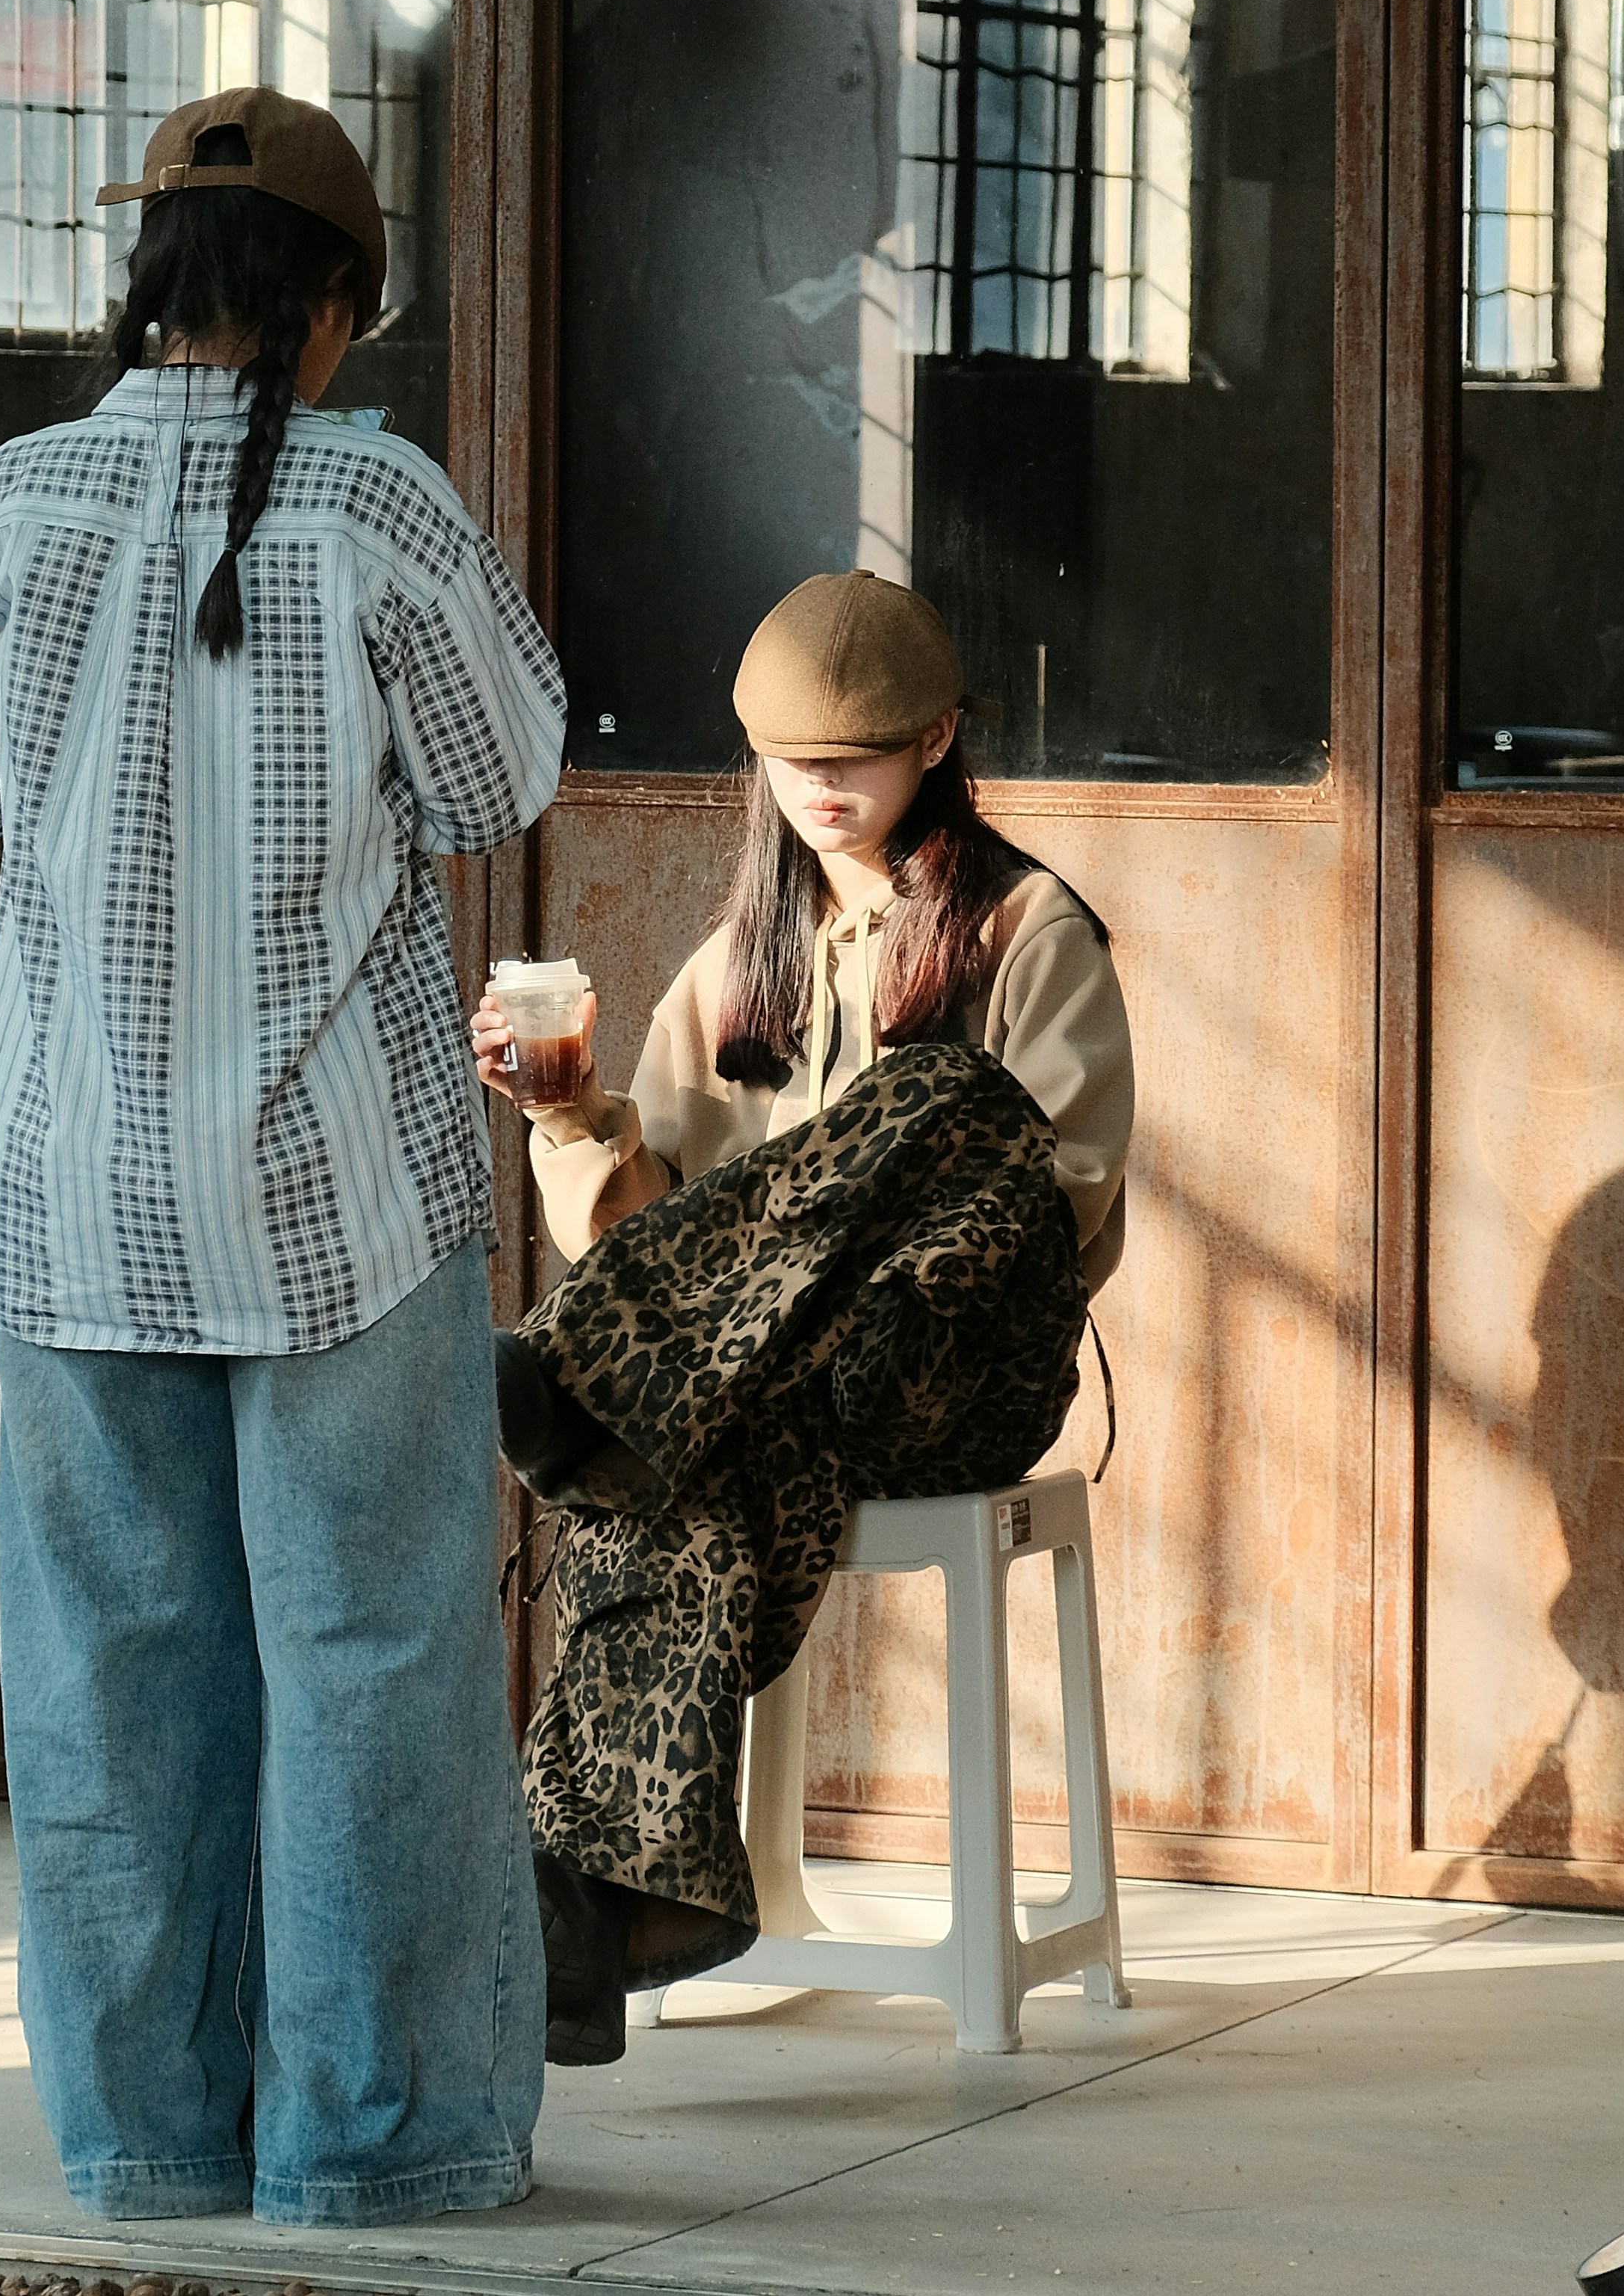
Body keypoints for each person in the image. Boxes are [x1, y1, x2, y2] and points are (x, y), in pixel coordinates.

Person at [0, 85, 564, 2224]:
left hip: (71, 1188)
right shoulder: (381, 516)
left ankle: (143, 2142)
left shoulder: (18, 497)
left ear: (145, 292)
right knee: (372, 1662)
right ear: (340, 309)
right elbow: (498, 780)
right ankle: (376, 2145)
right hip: (340, 1197)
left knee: (108, 1675)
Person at [471, 570, 1134, 2062]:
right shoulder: (735, 968)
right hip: (765, 1396)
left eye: (859, 760)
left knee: (944, 1095)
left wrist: (828, 1255)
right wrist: (576, 1115)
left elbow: (1054, 1217)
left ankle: (580, 1391)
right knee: (677, 1475)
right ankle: (615, 1895)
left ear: (940, 738)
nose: (823, 790)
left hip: (956, 1367)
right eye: (793, 765)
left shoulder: (1031, 931)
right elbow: (652, 1242)